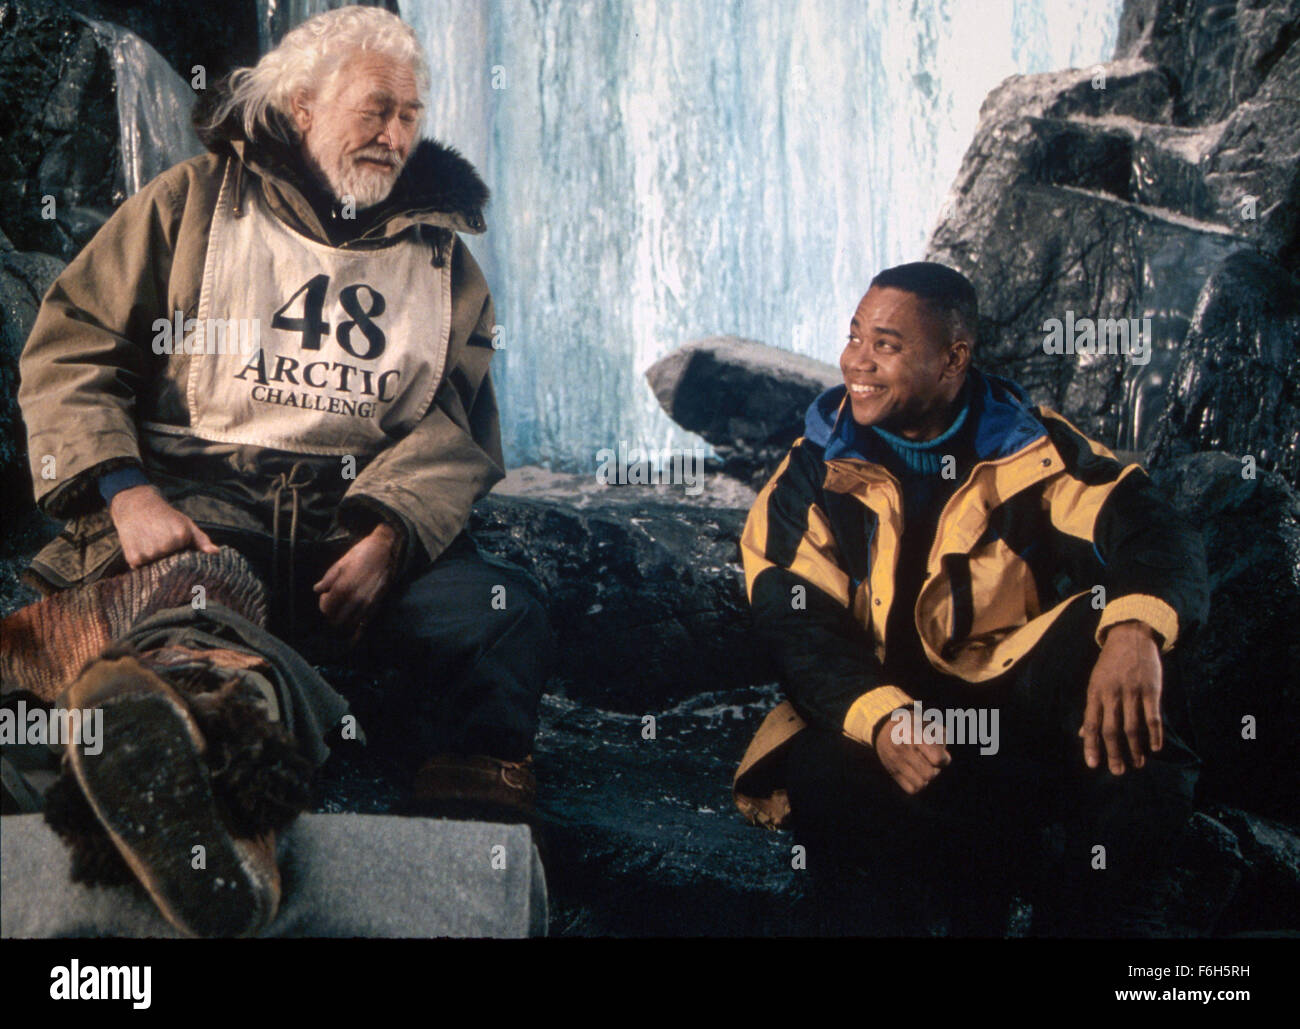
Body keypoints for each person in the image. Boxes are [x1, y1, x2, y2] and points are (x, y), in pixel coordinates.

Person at [9, 5, 552, 935]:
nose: (395, 136)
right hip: (202, 503)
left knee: (492, 620)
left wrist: (393, 531)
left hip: (357, 519)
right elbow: (70, 347)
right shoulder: (190, 203)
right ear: (302, 103)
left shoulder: (441, 256)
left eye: (411, 117)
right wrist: (124, 489)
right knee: (195, 610)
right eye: (375, 110)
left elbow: (459, 419)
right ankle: (205, 799)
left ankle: (462, 874)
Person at [732, 261, 1207, 936]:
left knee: (1132, 651)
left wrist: (1136, 630)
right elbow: (793, 626)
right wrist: (883, 715)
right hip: (886, 724)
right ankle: (980, 877)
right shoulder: (812, 473)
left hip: (1001, 711)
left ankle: (1093, 913)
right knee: (821, 773)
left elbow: (1151, 525)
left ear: (953, 359)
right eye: (854, 336)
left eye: (885, 345)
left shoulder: (1031, 446)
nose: (856, 362)